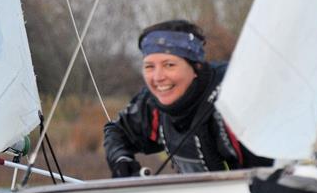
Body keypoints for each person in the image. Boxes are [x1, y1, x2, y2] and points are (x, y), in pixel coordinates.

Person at [103, 20, 273, 177]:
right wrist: (121, 160)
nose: (158, 77)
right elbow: (117, 131)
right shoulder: (151, 102)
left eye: (169, 65)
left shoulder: (232, 98)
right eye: (149, 66)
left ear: (196, 67)